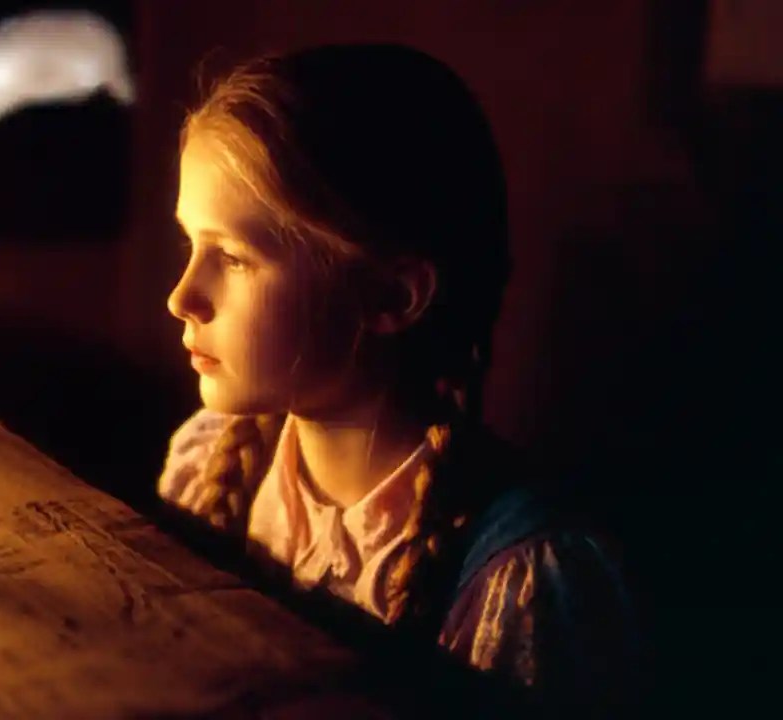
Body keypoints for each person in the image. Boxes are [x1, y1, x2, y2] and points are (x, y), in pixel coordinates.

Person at [157, 43, 639, 713]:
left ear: (391, 297)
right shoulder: (208, 462)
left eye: (233, 257)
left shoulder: (525, 581)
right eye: (191, 245)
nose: (182, 296)